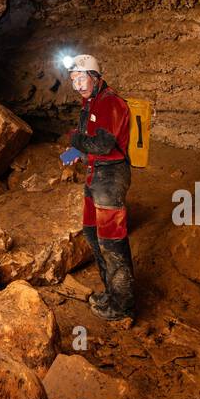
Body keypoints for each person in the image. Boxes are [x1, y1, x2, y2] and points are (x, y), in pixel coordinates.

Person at [61, 53, 135, 322]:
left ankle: (123, 306)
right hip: (94, 177)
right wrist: (67, 157)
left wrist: (74, 137)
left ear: (94, 76)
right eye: (73, 80)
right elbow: (85, 143)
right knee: (92, 235)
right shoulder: (89, 103)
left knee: (112, 244)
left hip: (111, 178)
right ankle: (110, 293)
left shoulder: (111, 103)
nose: (77, 85)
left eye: (81, 78)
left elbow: (102, 145)